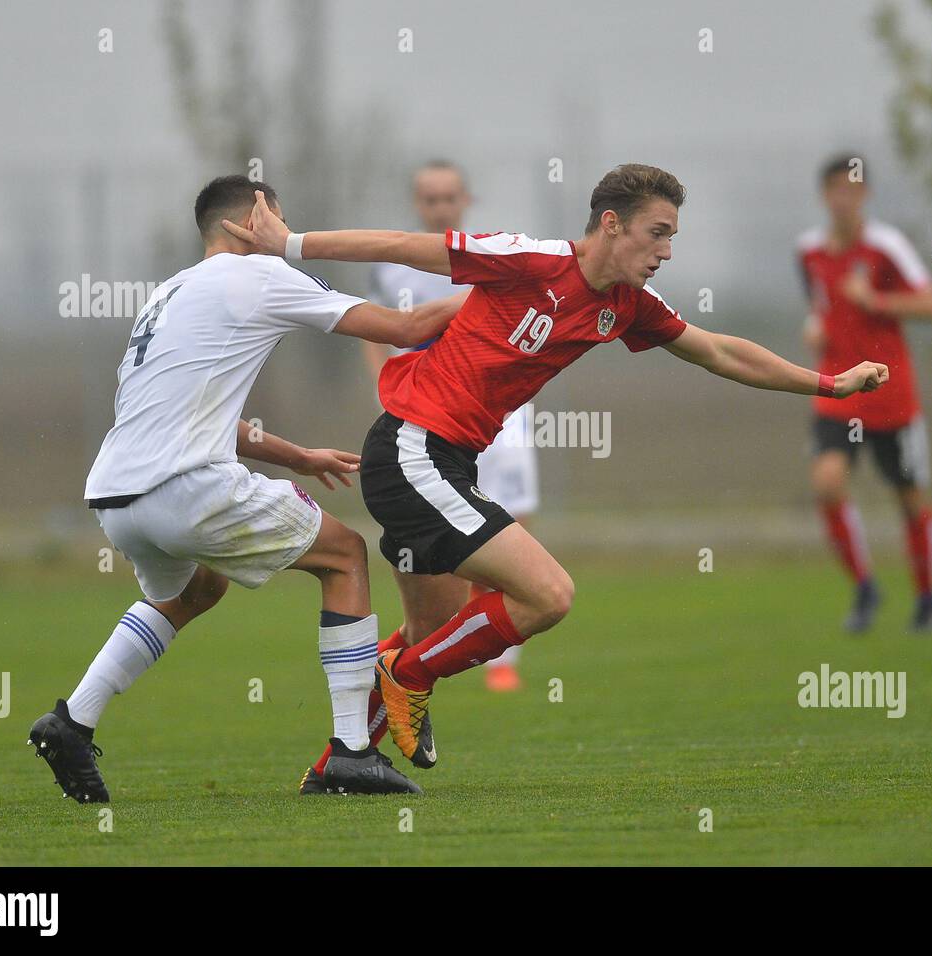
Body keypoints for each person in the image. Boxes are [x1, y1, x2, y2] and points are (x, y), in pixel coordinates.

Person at [222, 163, 889, 776]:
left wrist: (830, 385)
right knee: (548, 596)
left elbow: (720, 352)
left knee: (434, 628)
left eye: (673, 238)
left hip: (443, 461)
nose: (666, 252)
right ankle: (406, 676)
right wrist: (291, 243)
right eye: (656, 234)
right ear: (609, 224)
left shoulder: (625, 304)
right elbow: (403, 244)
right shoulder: (531, 260)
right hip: (411, 451)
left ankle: (342, 762)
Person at [27, 175, 463, 802]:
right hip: (185, 487)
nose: (281, 238)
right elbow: (403, 328)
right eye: (274, 222)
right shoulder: (259, 275)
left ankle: (71, 722)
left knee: (202, 585)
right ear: (245, 223)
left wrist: (296, 455)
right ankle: (351, 754)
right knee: (344, 556)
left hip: (117, 499)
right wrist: (504, 296)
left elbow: (184, 414)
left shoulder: (167, 295)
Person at [361, 160, 538, 695]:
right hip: (425, 416)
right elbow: (376, 329)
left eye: (448, 198)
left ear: (467, 199)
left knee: (510, 532)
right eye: (430, 199)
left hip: (495, 415)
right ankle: (421, 653)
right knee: (448, 544)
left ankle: (499, 659)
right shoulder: (393, 268)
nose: (440, 207)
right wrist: (380, 383)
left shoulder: (492, 259)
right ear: (419, 204)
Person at [796, 155, 932, 633]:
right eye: (836, 189)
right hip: (838, 387)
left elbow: (931, 305)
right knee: (826, 482)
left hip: (889, 391)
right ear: (824, 195)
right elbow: (819, 305)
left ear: (866, 195)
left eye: (853, 190)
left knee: (910, 500)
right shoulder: (809, 251)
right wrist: (816, 326)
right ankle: (864, 587)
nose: (845, 198)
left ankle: (927, 596)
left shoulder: (887, 246)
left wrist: (875, 300)